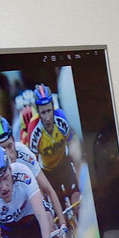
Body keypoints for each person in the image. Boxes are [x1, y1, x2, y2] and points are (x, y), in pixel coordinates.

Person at [0, 114, 67, 232]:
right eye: (2, 149)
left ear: (14, 140)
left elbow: (48, 189)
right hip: (11, 216)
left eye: (10, 146)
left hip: (31, 205)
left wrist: (62, 223)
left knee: (49, 225)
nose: (8, 154)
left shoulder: (23, 152)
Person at [26, 84, 80, 216]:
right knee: (60, 211)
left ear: (53, 107)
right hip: (48, 172)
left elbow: (74, 147)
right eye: (43, 112)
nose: (48, 118)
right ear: (37, 111)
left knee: (77, 202)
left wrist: (80, 178)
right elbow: (33, 164)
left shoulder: (61, 118)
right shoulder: (33, 130)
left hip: (64, 164)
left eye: (49, 111)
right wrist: (42, 193)